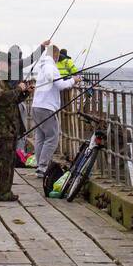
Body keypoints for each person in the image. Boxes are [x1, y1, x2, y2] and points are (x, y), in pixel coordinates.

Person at [0, 52, 31, 202]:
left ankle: (5, 191)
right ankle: (0, 192)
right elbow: (2, 99)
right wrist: (18, 89)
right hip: (1, 128)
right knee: (2, 162)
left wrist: (24, 93)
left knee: (9, 161)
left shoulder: (0, 79)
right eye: (7, 64)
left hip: (9, 127)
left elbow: (11, 100)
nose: (9, 68)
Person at [31, 41, 77, 177]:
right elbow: (60, 85)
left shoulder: (43, 66)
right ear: (55, 55)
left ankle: (40, 165)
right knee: (52, 137)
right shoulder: (51, 66)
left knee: (40, 137)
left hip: (36, 106)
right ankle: (42, 167)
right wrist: (74, 80)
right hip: (47, 107)